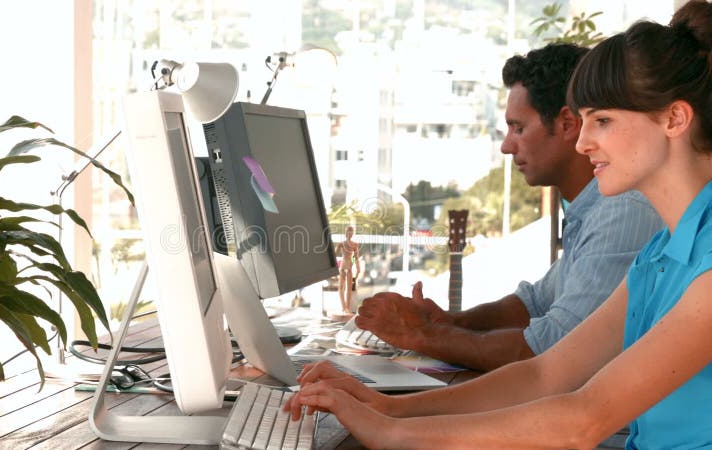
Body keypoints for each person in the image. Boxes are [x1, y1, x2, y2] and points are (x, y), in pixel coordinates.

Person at [286, 2, 712, 447]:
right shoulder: (662, 252)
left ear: (674, 119)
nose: (583, 142)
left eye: (602, 121)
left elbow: (582, 420)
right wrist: (389, 409)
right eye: (583, 122)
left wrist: (392, 432)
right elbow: (545, 374)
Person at [354, 42, 664, 371]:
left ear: (567, 124)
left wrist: (422, 336)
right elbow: (534, 302)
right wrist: (450, 323)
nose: (506, 145)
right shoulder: (594, 208)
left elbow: (551, 350)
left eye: (518, 128)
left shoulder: (623, 211)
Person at [333, 225, 360, 316]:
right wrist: (334, 267)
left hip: (349, 268)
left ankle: (347, 308)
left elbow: (355, 257)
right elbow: (334, 256)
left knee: (348, 288)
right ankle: (343, 307)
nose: (350, 233)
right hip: (342, 267)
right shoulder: (341, 244)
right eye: (348, 231)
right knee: (341, 287)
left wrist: (355, 265)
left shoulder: (355, 245)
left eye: (351, 231)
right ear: (346, 233)